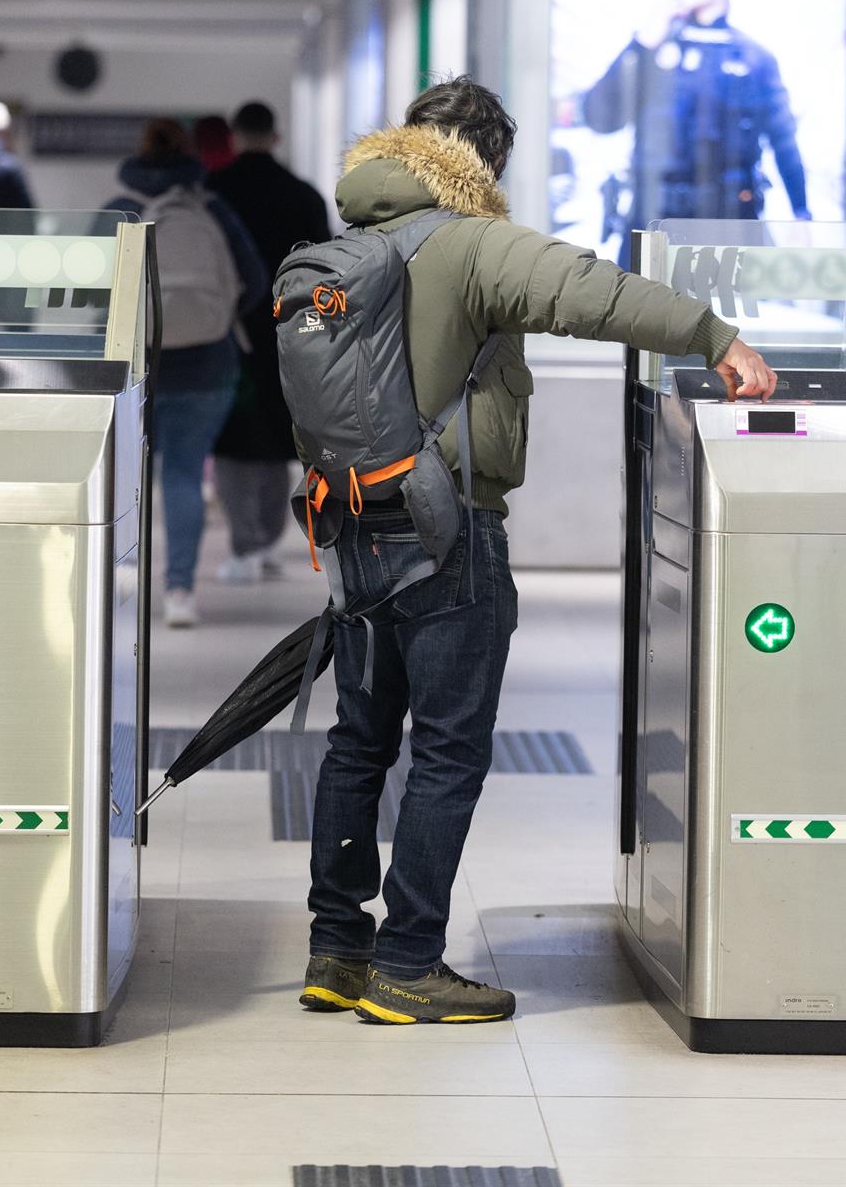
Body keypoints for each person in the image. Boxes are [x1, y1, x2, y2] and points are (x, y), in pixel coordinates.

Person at [299, 76, 776, 1024]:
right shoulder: (471, 242)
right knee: (446, 747)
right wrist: (714, 335)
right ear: (484, 163)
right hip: (449, 527)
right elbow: (590, 292)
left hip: (349, 523)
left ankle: (337, 951)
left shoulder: (342, 246)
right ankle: (408, 963)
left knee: (359, 739)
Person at [105, 118, 269, 627]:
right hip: (206, 364)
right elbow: (256, 280)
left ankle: (121, 584)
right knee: (182, 474)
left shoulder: (118, 212)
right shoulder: (211, 210)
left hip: (133, 367)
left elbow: (89, 291)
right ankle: (179, 592)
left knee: (127, 479)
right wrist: (217, 318)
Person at [581, 0, 809, 267]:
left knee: (726, 318)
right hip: (653, 225)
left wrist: (801, 213)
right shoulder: (651, 48)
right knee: (640, 317)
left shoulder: (753, 57)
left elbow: (784, 140)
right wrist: (643, 44)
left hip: (730, 227)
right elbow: (599, 118)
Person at [208, 100, 333, 584]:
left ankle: (245, 543)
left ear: (236, 136)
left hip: (228, 333)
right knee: (281, 438)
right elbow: (325, 268)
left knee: (234, 441)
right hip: (290, 332)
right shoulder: (302, 195)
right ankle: (267, 540)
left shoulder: (215, 192)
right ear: (275, 136)